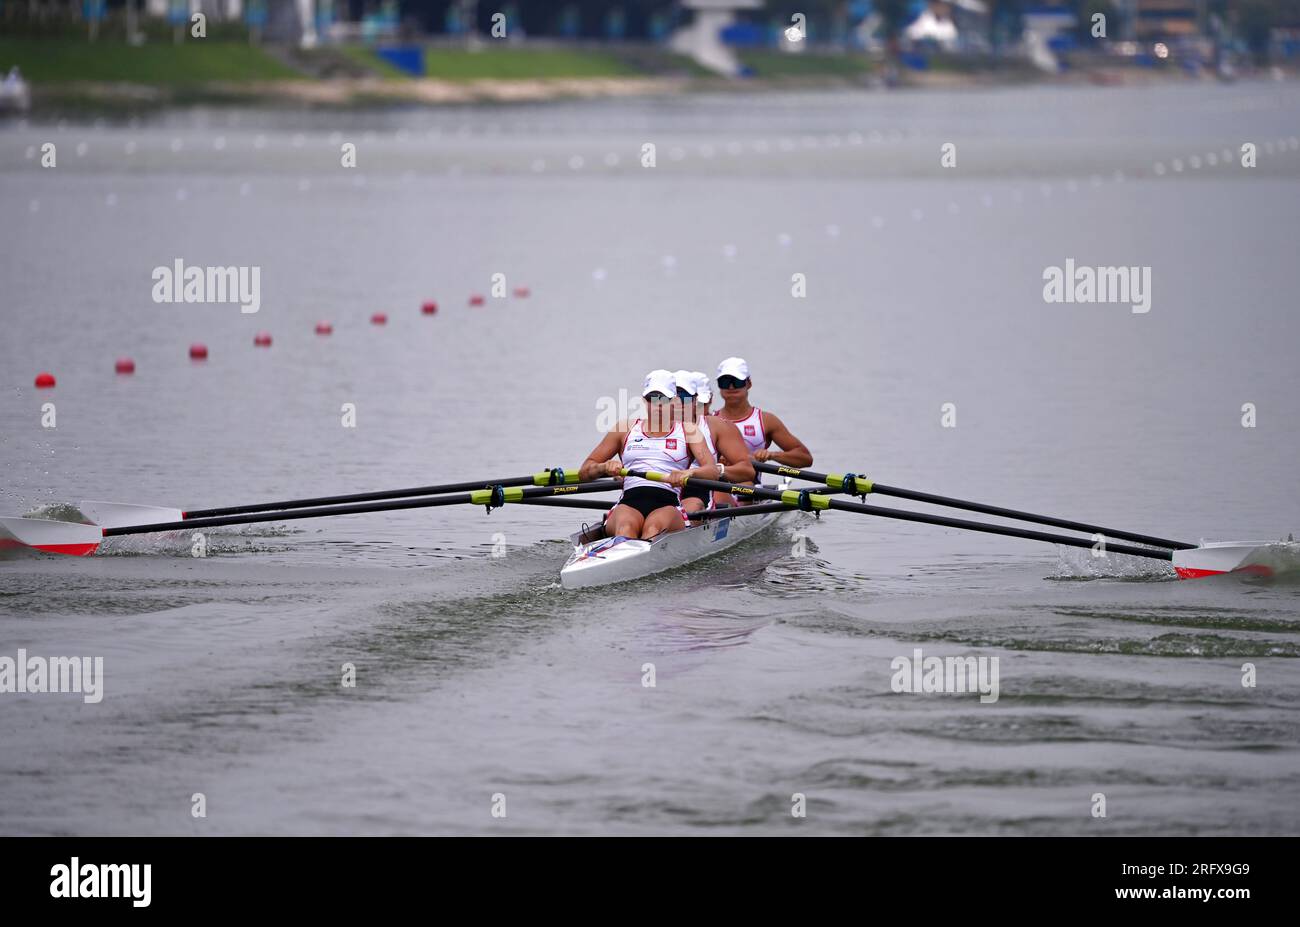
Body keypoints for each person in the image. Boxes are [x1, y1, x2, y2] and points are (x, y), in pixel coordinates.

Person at [578, 370, 718, 540]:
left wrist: (689, 473)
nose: (658, 405)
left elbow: (712, 471)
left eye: (664, 400)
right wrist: (602, 467)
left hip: (668, 505)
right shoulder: (624, 429)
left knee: (653, 529)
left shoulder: (689, 431)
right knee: (625, 528)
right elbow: (584, 472)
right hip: (629, 503)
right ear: (644, 401)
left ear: (674, 401)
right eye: (652, 399)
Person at [672, 370, 754, 516]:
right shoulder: (642, 428)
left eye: (684, 397)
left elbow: (747, 471)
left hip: (697, 494)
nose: (677, 403)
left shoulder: (719, 426)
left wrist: (717, 470)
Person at [714, 356, 813, 471]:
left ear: (749, 384)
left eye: (736, 382)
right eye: (724, 382)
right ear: (719, 385)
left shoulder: (766, 421)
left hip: (751, 486)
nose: (731, 387)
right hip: (712, 485)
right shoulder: (709, 420)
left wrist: (771, 455)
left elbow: (805, 458)